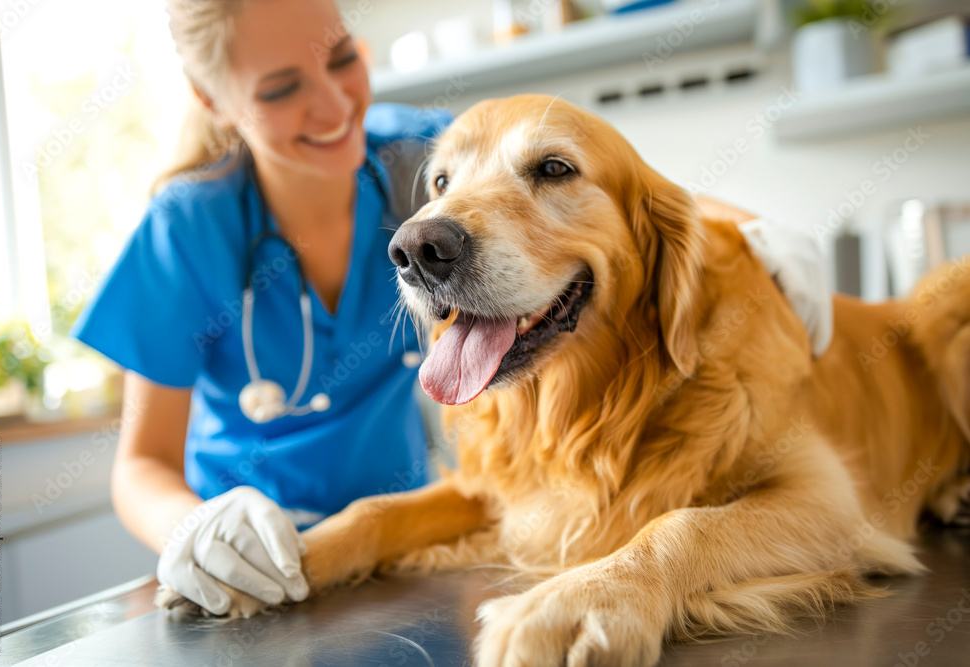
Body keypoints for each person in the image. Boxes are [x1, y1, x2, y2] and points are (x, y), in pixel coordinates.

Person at [70, 0, 833, 617]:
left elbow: (603, 186)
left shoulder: (413, 153)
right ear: (213, 99)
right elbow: (140, 463)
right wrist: (192, 529)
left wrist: (755, 228)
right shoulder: (186, 226)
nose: (335, 105)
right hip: (242, 565)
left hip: (407, 553)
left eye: (341, 60)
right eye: (280, 87)